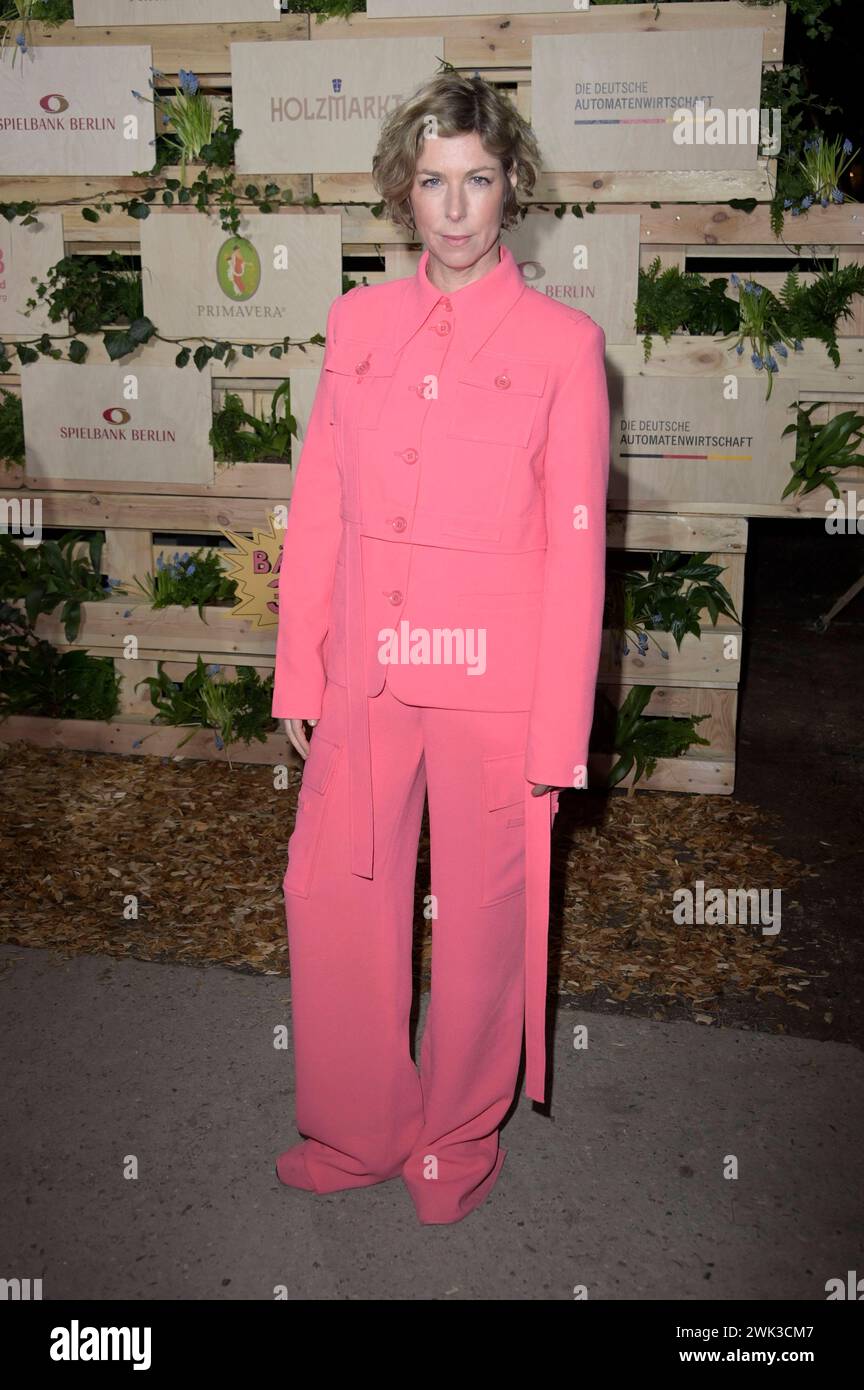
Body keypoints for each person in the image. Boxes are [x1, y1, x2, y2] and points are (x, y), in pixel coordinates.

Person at [271, 71, 610, 1225]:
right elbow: (318, 500)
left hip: (494, 692)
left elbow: (576, 553)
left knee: (477, 933)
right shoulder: (360, 323)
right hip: (365, 670)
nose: (454, 206)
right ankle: (357, 1127)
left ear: (510, 186)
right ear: (402, 195)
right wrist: (300, 662)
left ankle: (453, 1144)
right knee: (329, 895)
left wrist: (558, 735)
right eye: (431, 182)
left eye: (475, 179)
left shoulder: (567, 347)